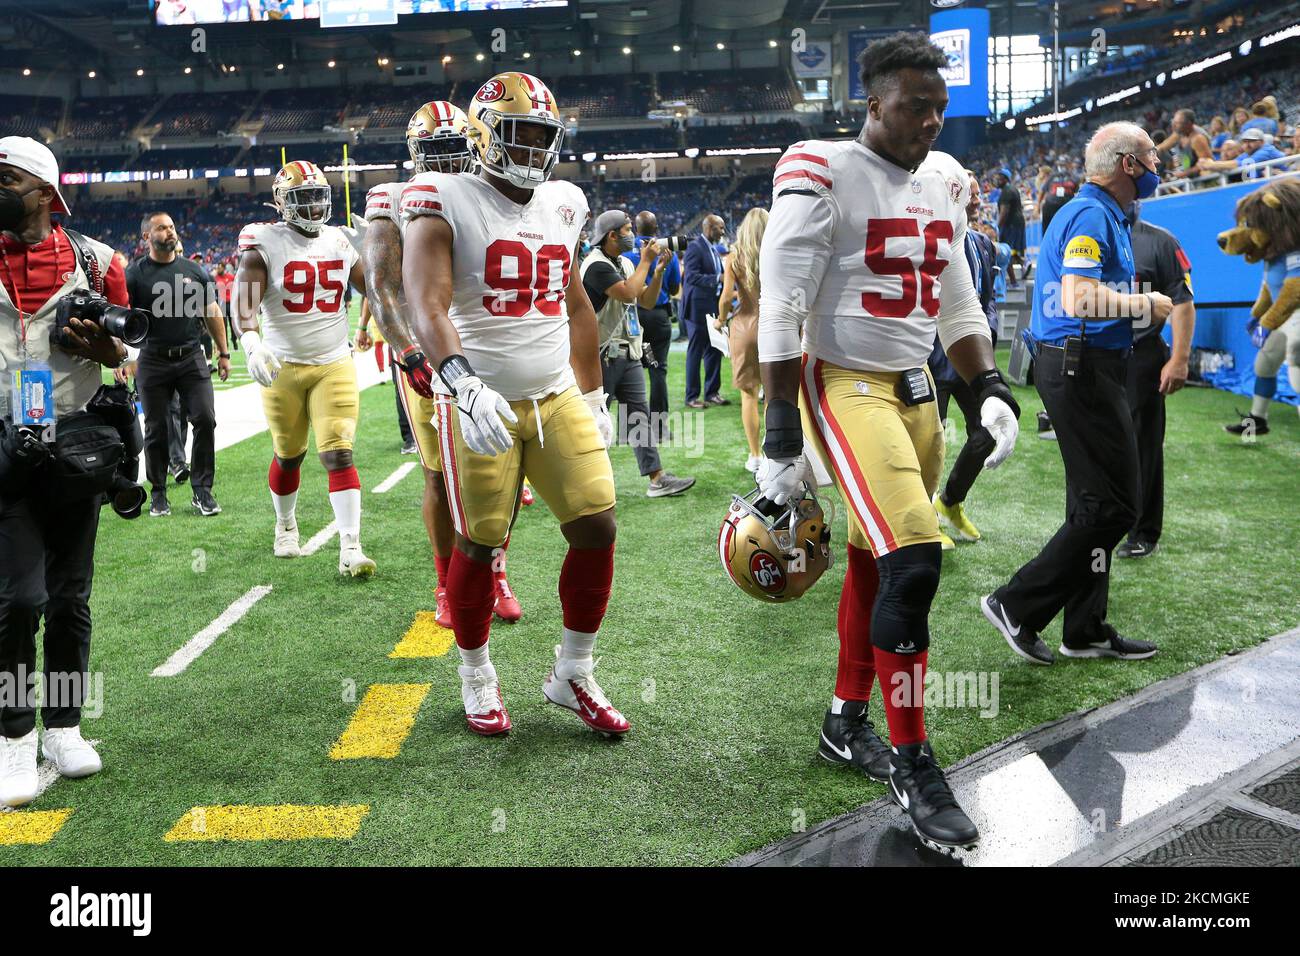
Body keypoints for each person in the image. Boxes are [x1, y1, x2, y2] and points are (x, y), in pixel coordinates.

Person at [757, 33, 1020, 852]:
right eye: (916, 105)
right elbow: (781, 307)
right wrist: (778, 432)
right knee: (916, 559)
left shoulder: (944, 182)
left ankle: (845, 721)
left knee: (879, 560)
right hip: (845, 384)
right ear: (871, 102)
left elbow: (958, 302)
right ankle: (915, 764)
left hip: (917, 390)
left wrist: (990, 388)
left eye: (941, 108)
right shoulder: (822, 168)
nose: (932, 121)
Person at [402, 72, 630, 739]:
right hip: (479, 398)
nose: (532, 149)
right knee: (479, 543)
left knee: (597, 526)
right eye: (518, 134)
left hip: (554, 392)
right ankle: (476, 673)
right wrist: (461, 381)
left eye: (542, 136)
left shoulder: (564, 202)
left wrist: (590, 394)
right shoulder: (443, 195)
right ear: (481, 136)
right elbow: (426, 304)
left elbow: (579, 306)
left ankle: (573, 672)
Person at [982, 121, 1171, 668]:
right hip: (1082, 366)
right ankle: (1016, 603)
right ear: (1126, 165)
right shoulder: (1092, 214)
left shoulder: (1096, 213)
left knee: (1093, 502)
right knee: (1115, 505)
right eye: (1151, 157)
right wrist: (1146, 305)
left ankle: (1083, 627)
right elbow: (1080, 297)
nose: (1158, 165)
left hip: (1083, 365)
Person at [0, 136, 131, 805]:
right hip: (2, 441)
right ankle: (14, 736)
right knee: (19, 600)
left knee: (71, 598)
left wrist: (108, 345)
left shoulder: (96, 260)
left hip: (72, 441)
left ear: (45, 192)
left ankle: (65, 725)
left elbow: (124, 351)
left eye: (6, 177)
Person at [364, 99, 522, 626]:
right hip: (427, 354)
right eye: (436, 151)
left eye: (457, 149)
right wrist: (409, 352)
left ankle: (495, 569)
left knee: (500, 470)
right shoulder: (392, 198)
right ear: (415, 153)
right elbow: (384, 288)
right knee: (436, 473)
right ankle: (443, 582)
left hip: (485, 346)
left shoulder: (490, 192)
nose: (448, 161)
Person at [233, 159, 376, 577]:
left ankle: (351, 545)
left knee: (340, 453)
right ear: (282, 202)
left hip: (334, 362)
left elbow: (378, 291)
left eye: (318, 196)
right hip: (283, 366)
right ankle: (285, 523)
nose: (314, 206)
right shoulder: (264, 241)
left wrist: (382, 252)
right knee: (289, 455)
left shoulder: (339, 240)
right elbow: (245, 299)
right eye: (304, 198)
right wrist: (251, 342)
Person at [582, 209, 694, 498]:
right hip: (601, 355)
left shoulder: (621, 263)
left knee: (639, 418)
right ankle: (586, 484)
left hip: (627, 352)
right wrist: (646, 260)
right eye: (628, 230)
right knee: (593, 423)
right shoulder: (595, 266)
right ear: (612, 235)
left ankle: (657, 478)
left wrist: (656, 272)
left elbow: (645, 300)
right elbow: (629, 292)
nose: (633, 235)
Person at [123, 211, 229, 517]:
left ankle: (202, 491)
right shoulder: (134, 274)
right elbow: (123, 319)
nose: (170, 232)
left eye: (171, 226)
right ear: (146, 237)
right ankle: (158, 493)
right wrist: (125, 358)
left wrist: (223, 353)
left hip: (191, 356)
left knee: (205, 420)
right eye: (161, 228)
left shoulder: (194, 270)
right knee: (156, 429)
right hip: (153, 358)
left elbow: (211, 313)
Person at [1117, 202, 1195, 559]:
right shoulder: (1088, 236)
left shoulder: (1160, 241)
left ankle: (1143, 530)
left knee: (1144, 444)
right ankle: (1103, 519)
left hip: (1141, 354)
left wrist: (1179, 359)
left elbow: (1182, 301)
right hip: (1096, 356)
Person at [929, 171, 1000, 549]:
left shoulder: (984, 244)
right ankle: (924, 519)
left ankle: (950, 501)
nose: (975, 200)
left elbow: (987, 297)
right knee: (929, 445)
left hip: (972, 361)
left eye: (977, 194)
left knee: (989, 431)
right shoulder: (928, 242)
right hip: (933, 360)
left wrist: (984, 327)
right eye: (969, 194)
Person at [714, 206, 766, 473]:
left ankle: (755, 455)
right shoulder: (776, 254)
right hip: (774, 327)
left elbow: (725, 298)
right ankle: (777, 453)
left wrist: (721, 320)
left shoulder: (734, 257)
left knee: (749, 396)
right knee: (778, 396)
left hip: (744, 328)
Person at [626, 210, 680, 438]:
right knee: (658, 371)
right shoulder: (667, 251)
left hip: (633, 317)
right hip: (658, 317)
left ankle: (632, 429)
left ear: (636, 230)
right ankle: (660, 428)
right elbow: (676, 288)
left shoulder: (627, 253)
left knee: (629, 370)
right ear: (657, 229)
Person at [682, 214, 729, 409]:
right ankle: (692, 396)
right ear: (709, 228)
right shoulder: (695, 247)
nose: (723, 231)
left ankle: (712, 393)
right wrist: (718, 278)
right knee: (696, 351)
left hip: (712, 306)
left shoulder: (712, 248)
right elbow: (691, 276)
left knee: (714, 349)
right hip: (697, 308)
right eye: (720, 227)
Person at [1154, 109, 1212, 180]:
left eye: (1177, 123)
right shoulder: (1179, 133)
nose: (1174, 125)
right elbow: (1162, 148)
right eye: (1174, 122)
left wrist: (1183, 173)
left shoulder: (1198, 139)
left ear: (1189, 124)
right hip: (1192, 178)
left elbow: (1207, 164)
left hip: (1206, 180)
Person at [994, 167, 1025, 283]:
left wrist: (997, 228)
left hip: (1010, 225)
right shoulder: (1013, 189)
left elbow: (1004, 212)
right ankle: (1024, 264)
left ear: (1005, 179)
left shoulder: (1006, 191)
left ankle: (1013, 281)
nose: (997, 180)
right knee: (1014, 250)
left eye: (999, 178)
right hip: (1017, 223)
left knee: (1006, 250)